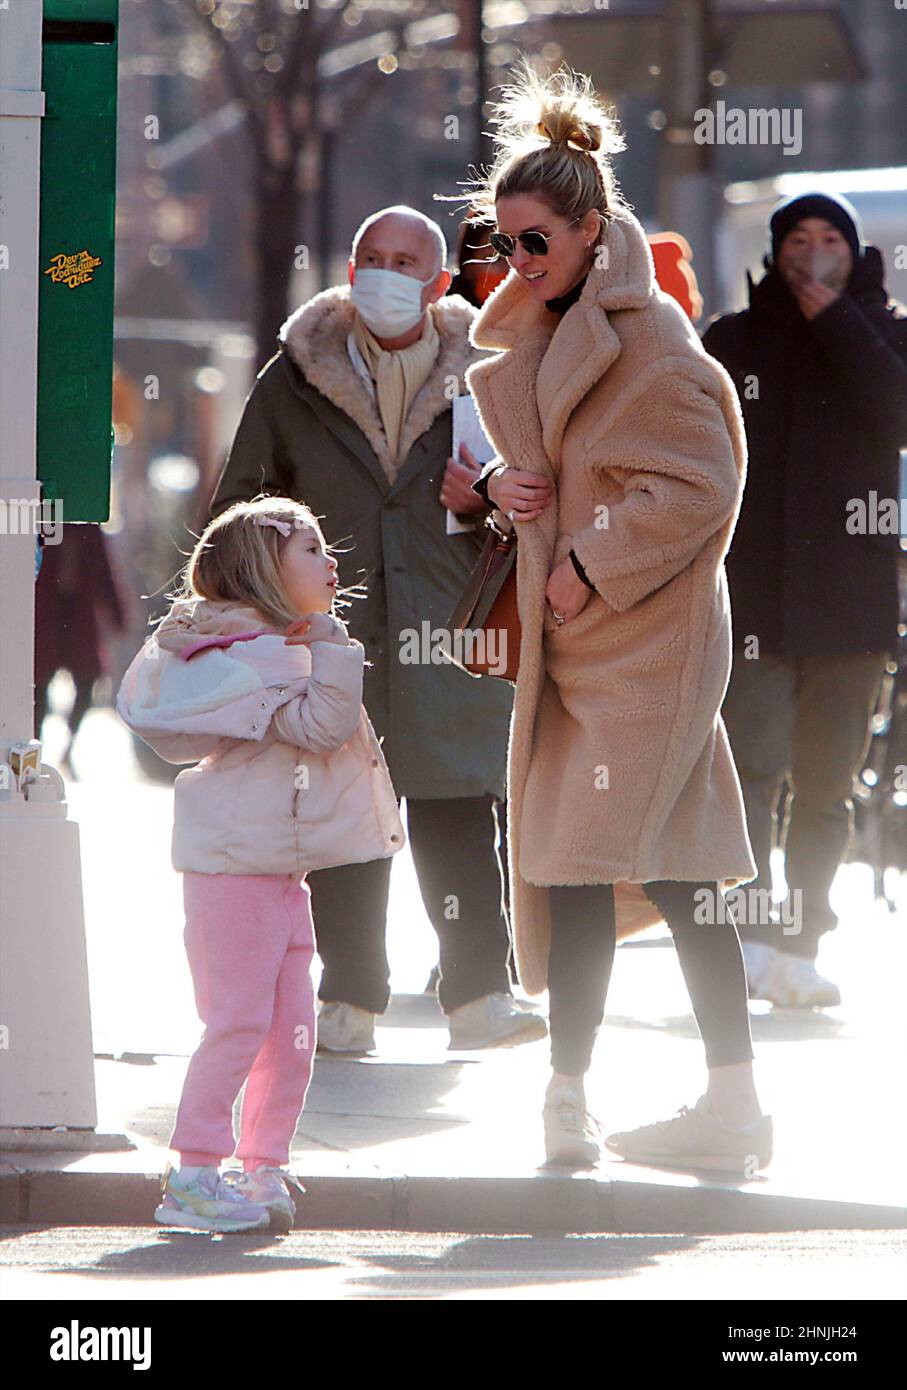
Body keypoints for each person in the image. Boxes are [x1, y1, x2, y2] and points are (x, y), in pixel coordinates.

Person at [462, 61, 772, 1173]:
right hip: (582, 647)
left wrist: (586, 566)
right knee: (591, 864)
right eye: (504, 244)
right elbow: (534, 470)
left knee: (617, 866)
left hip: (644, 648)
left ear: (593, 230)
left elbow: (697, 486)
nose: (516, 262)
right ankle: (605, 1099)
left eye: (535, 240)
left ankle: (670, 1103)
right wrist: (501, 490)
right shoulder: (537, 335)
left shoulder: (656, 341)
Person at [210, 205, 547, 1055]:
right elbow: (239, 509)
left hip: (451, 631)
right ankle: (350, 998)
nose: (385, 274)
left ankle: (478, 993)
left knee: (460, 813)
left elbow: (545, 493)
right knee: (345, 820)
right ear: (349, 266)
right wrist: (269, 608)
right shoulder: (296, 377)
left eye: (406, 261)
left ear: (438, 285)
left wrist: (486, 503)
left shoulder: (493, 373)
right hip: (333, 637)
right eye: (371, 256)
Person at [117, 496, 405, 1233]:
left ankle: (261, 1167)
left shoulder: (276, 647)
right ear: (263, 572)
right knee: (240, 1021)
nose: (330, 559)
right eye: (310, 548)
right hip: (231, 870)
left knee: (291, 1026)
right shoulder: (254, 659)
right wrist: (337, 648)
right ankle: (192, 1175)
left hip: (276, 870)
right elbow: (320, 725)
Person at [703, 192, 907, 1008]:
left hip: (850, 609)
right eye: (797, 236)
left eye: (830, 238)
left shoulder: (885, 330)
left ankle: (803, 944)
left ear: (852, 252)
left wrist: (837, 322)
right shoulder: (733, 337)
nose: (812, 250)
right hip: (753, 601)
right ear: (776, 249)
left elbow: (897, 413)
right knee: (753, 771)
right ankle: (749, 935)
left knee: (828, 782)